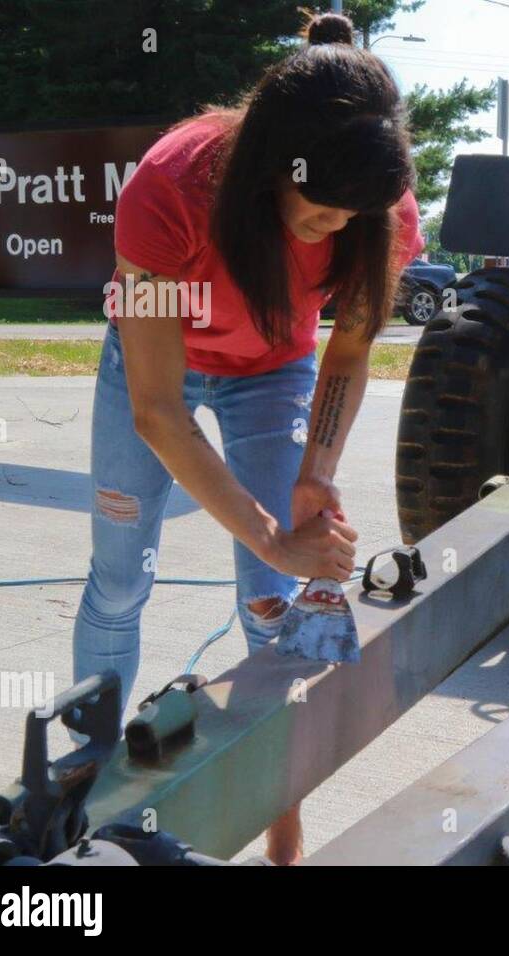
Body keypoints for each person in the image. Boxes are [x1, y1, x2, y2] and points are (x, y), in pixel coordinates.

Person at [73, 11, 422, 864]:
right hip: (150, 367)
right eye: (321, 210)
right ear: (273, 169)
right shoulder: (169, 188)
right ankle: (85, 795)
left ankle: (280, 815)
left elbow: (348, 346)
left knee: (271, 599)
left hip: (274, 374)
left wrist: (314, 479)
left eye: (353, 218)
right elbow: (158, 408)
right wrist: (268, 530)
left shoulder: (382, 206)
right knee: (120, 581)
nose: (336, 228)